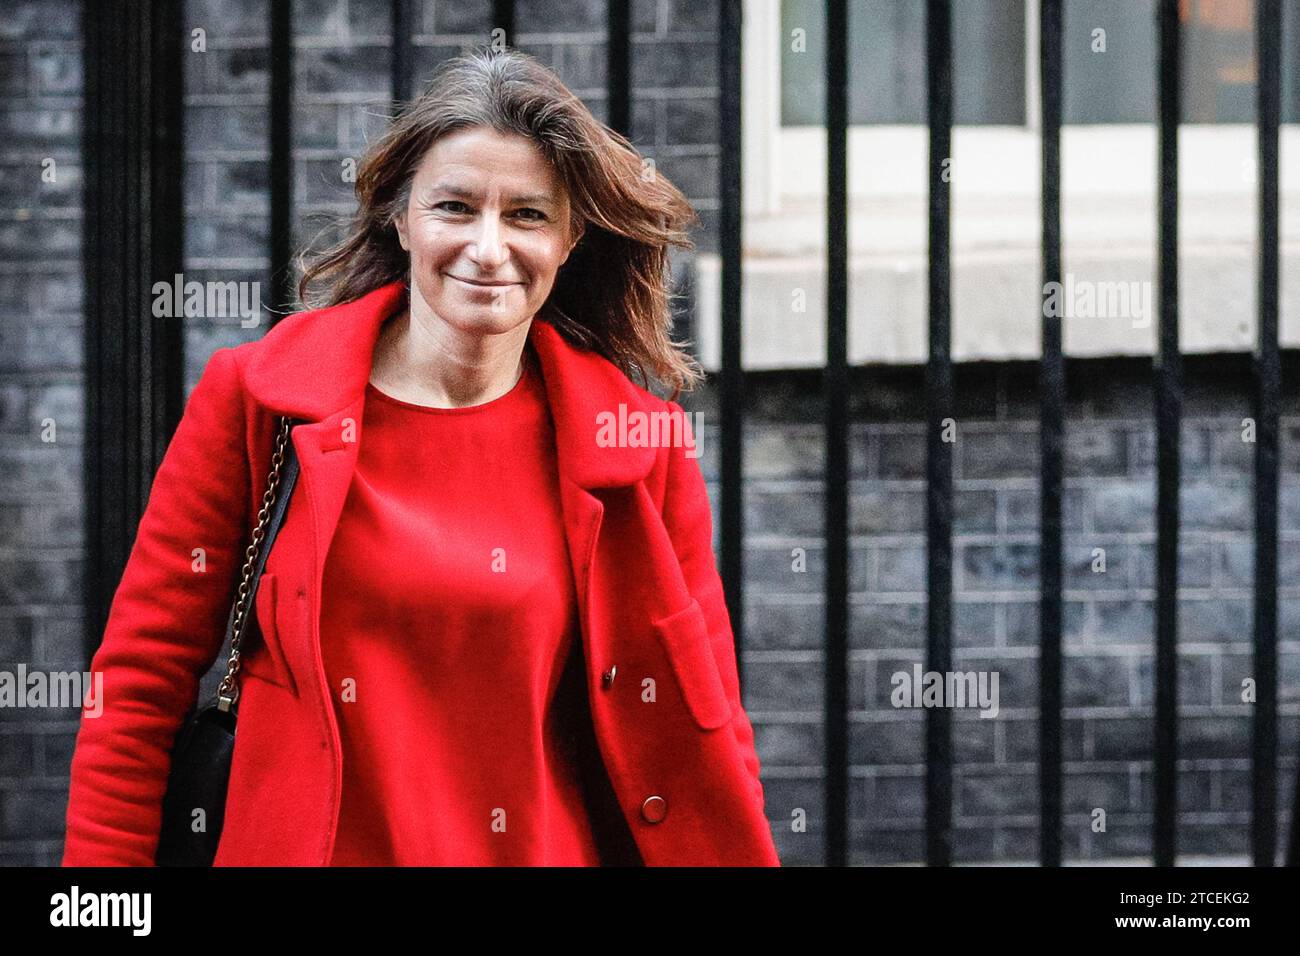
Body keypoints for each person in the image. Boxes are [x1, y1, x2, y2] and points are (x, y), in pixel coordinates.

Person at [61, 47, 780, 867]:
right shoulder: (260, 404)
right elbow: (137, 685)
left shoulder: (636, 449)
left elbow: (704, 725)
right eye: (454, 207)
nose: (487, 246)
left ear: (570, 238)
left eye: (526, 215)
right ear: (401, 219)